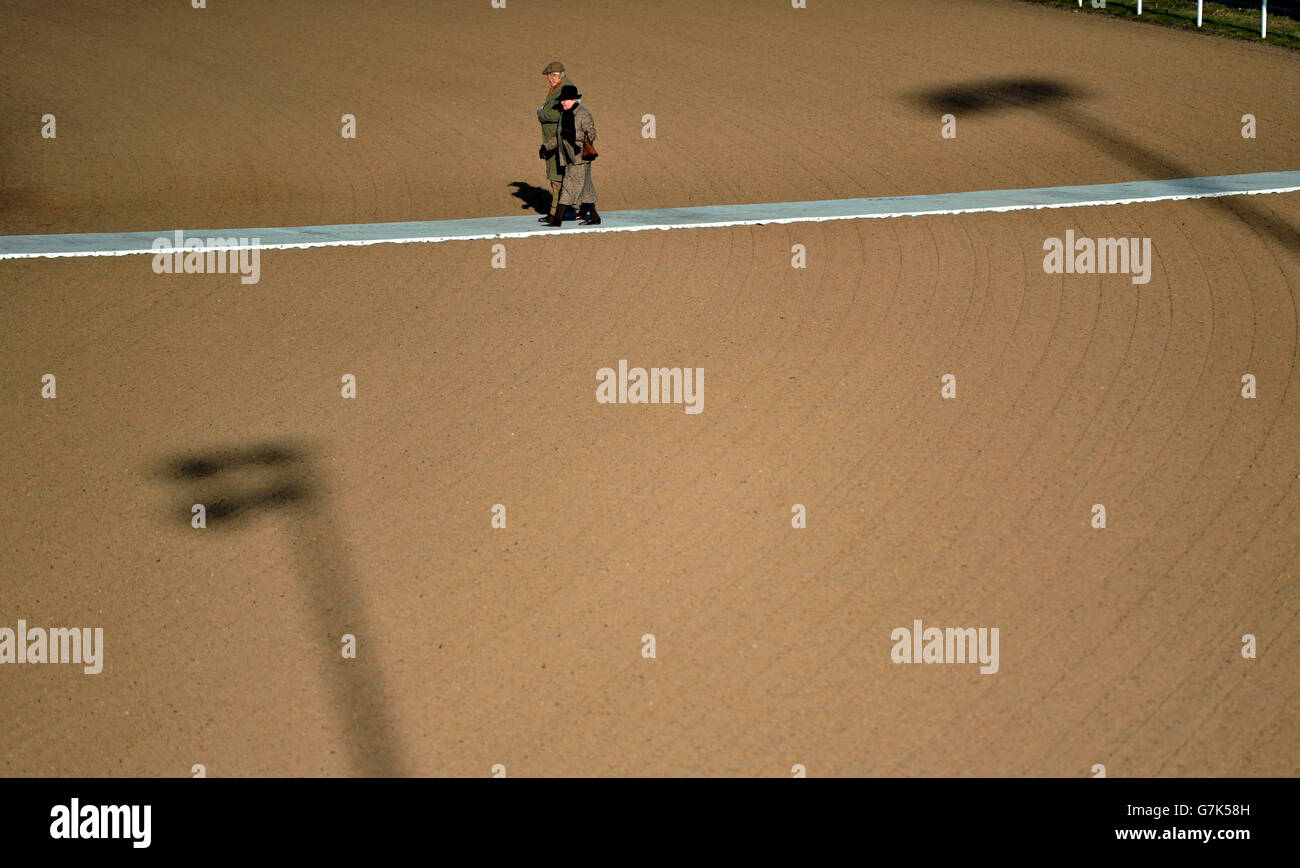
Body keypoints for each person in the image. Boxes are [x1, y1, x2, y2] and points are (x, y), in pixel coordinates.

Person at [541, 84, 599, 227]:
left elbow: (592, 134)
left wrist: (574, 135)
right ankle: (595, 217)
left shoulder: (583, 114)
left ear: (573, 99)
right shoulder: (564, 115)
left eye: (564, 100)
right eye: (562, 100)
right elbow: (560, 137)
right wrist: (546, 147)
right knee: (585, 190)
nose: (562, 102)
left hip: (579, 158)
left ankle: (557, 219)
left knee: (567, 187)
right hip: (569, 158)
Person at [537, 61, 577, 223]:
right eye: (548, 76)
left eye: (551, 76)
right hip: (555, 138)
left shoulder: (564, 89)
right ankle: (569, 209)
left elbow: (559, 114)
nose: (549, 79)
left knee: (557, 176)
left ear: (559, 75)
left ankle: (555, 213)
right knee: (560, 175)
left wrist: (541, 114)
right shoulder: (559, 88)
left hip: (557, 139)